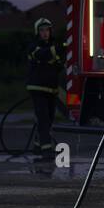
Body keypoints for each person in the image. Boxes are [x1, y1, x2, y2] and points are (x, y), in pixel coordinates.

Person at [25, 17, 63, 158]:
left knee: (50, 118)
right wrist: (56, 50)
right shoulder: (33, 46)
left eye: (47, 30)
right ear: (37, 32)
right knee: (43, 119)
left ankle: (37, 145)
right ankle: (46, 150)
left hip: (51, 89)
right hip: (37, 88)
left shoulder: (52, 46)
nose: (45, 33)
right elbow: (42, 55)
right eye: (42, 30)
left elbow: (58, 65)